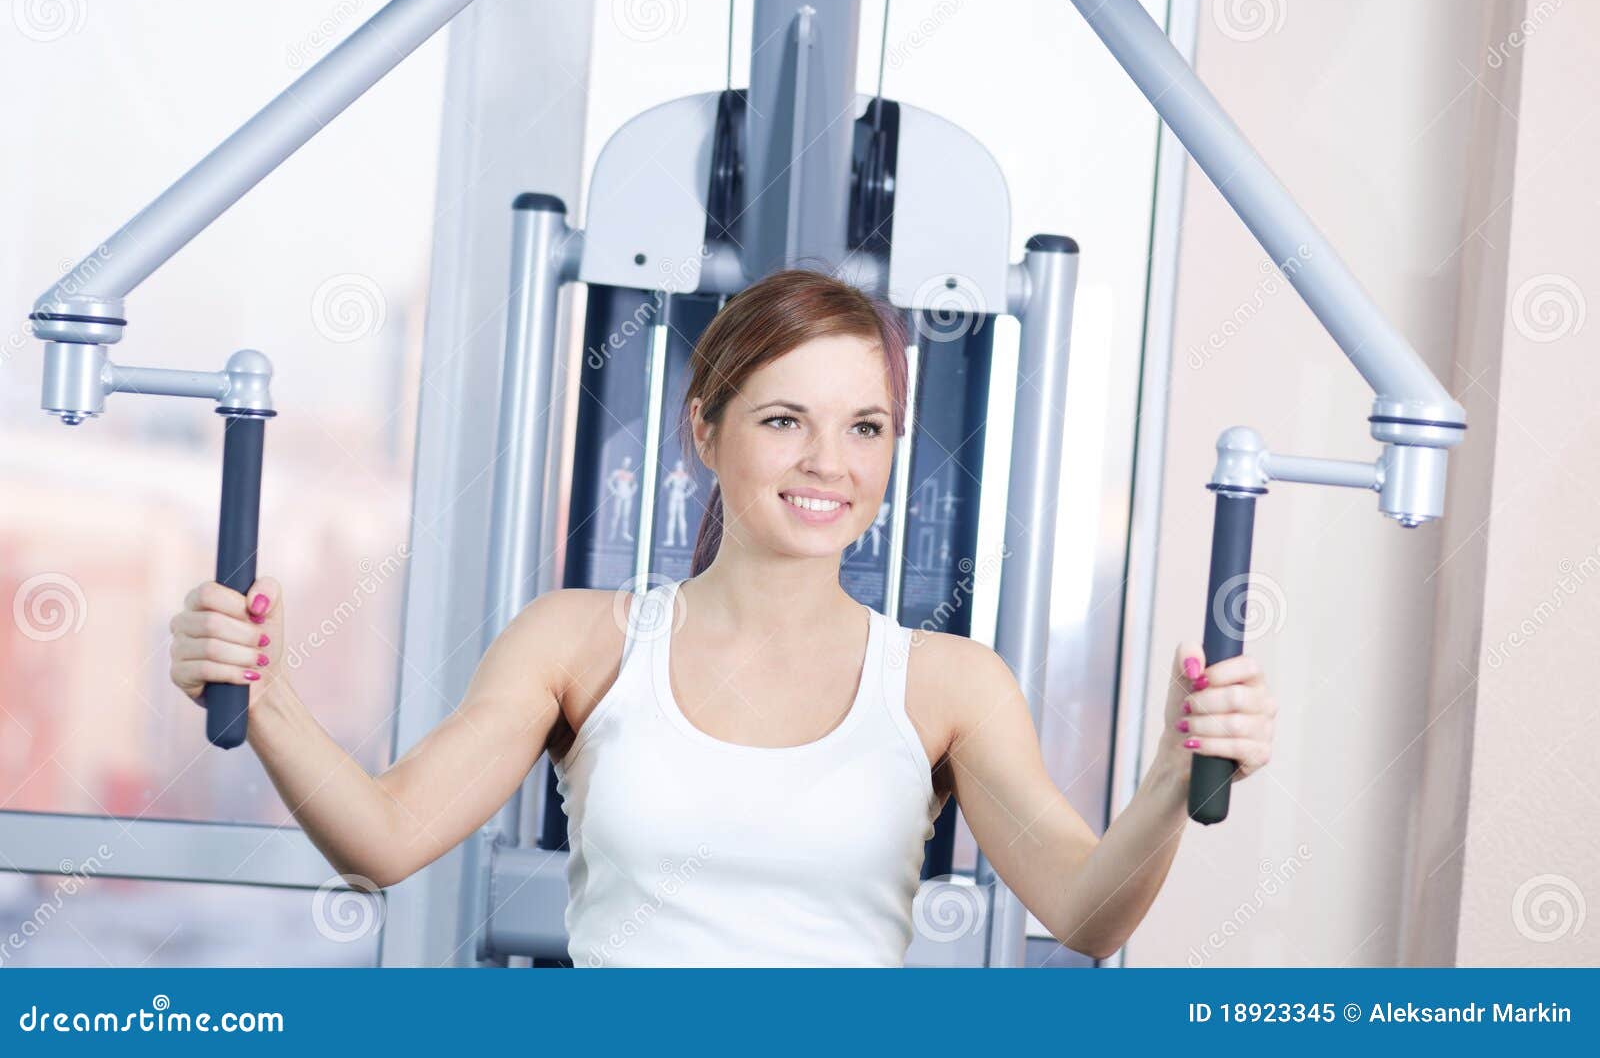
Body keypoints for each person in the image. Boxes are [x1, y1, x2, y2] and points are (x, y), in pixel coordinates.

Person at [167, 268, 1276, 966]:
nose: (827, 464)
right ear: (705, 432)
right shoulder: (577, 643)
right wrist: (263, 693)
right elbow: (384, 837)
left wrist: (1179, 775)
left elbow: (1086, 912)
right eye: (785, 419)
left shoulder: (949, 684)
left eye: (867, 428)